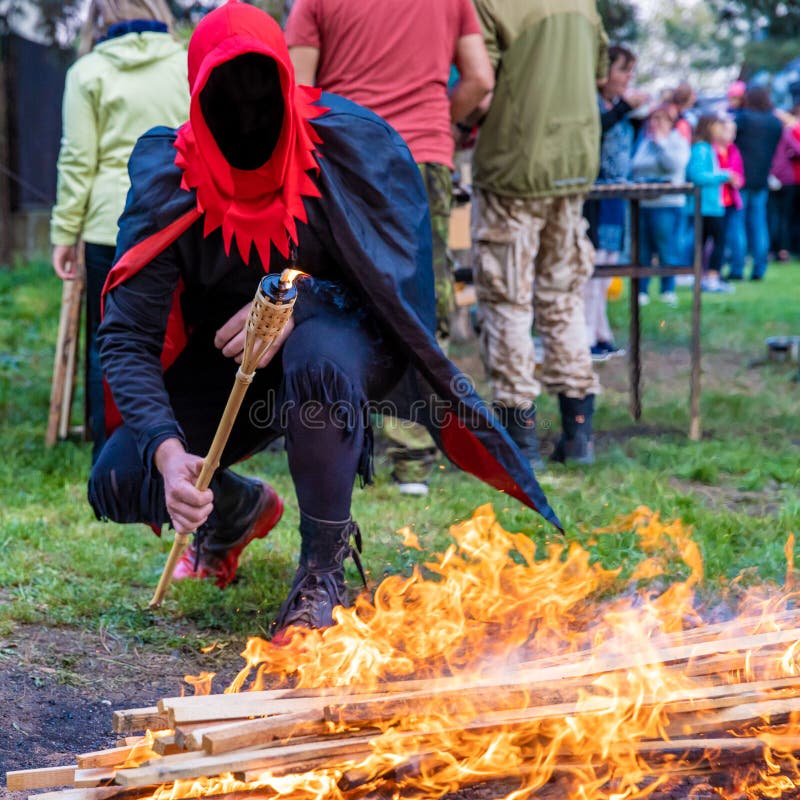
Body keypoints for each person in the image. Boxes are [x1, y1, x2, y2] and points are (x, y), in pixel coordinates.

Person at [88, 2, 559, 638]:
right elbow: (128, 336)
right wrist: (171, 457)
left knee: (316, 355)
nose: (250, 119)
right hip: (234, 370)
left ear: (288, 88)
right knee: (120, 474)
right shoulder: (171, 179)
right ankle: (236, 510)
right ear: (197, 100)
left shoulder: (348, 148)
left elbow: (396, 295)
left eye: (264, 101)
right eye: (230, 104)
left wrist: (296, 299)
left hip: (343, 343)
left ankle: (321, 571)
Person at [284, 0, 494, 497]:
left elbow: (297, 90)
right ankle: (412, 458)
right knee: (419, 300)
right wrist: (440, 121)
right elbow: (480, 80)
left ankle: (339, 445)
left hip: (349, 159)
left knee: (340, 298)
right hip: (423, 156)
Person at [469, 0, 607, 469]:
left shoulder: (490, 3)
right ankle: (578, 437)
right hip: (574, 164)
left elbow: (480, 86)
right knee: (563, 295)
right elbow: (601, 68)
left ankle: (519, 443)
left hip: (515, 165)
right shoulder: (582, 4)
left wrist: (455, 122)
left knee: (507, 299)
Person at [49, 0, 189, 463]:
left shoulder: (87, 72)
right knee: (178, 337)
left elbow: (77, 160)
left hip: (108, 225)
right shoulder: (186, 61)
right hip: (175, 221)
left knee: (111, 342)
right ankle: (182, 445)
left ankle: (109, 455)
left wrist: (64, 232)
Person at [583, 43, 646, 360]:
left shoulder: (617, 105)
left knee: (607, 267)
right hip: (592, 195)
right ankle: (585, 335)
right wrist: (624, 108)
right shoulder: (587, 103)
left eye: (630, 71)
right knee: (590, 267)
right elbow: (593, 130)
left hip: (615, 197)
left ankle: (599, 332)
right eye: (623, 69)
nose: (627, 77)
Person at [629, 104, 690, 306]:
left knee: (667, 248)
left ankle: (667, 289)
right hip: (645, 203)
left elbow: (674, 165)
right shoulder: (644, 142)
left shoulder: (676, 141)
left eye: (660, 120)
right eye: (653, 119)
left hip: (668, 204)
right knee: (643, 250)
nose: (655, 124)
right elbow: (635, 166)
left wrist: (661, 143)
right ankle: (642, 290)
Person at [732, 87, 783, 280]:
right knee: (759, 224)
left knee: (738, 223)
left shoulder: (743, 118)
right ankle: (759, 269)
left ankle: (737, 268)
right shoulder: (774, 122)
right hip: (761, 178)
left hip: (740, 178)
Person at [686, 115, 735, 294]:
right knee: (717, 241)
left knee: (705, 242)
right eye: (717, 127)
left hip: (710, 205)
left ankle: (701, 277)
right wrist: (725, 175)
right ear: (708, 127)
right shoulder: (701, 148)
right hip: (706, 206)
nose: (720, 131)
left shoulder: (706, 148)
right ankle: (711, 278)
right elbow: (697, 176)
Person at [767, 107, 800, 263]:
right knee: (784, 217)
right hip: (787, 179)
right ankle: (783, 250)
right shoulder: (784, 133)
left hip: (771, 177)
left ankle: (773, 250)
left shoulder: (765, 134)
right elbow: (797, 149)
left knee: (773, 216)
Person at [714, 117, 745, 281]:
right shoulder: (712, 150)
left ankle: (736, 269)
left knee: (734, 235)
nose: (732, 135)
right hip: (715, 202)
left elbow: (740, 175)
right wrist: (727, 176)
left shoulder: (733, 150)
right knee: (716, 240)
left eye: (734, 131)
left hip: (731, 200)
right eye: (728, 131)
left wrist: (736, 180)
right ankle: (712, 271)